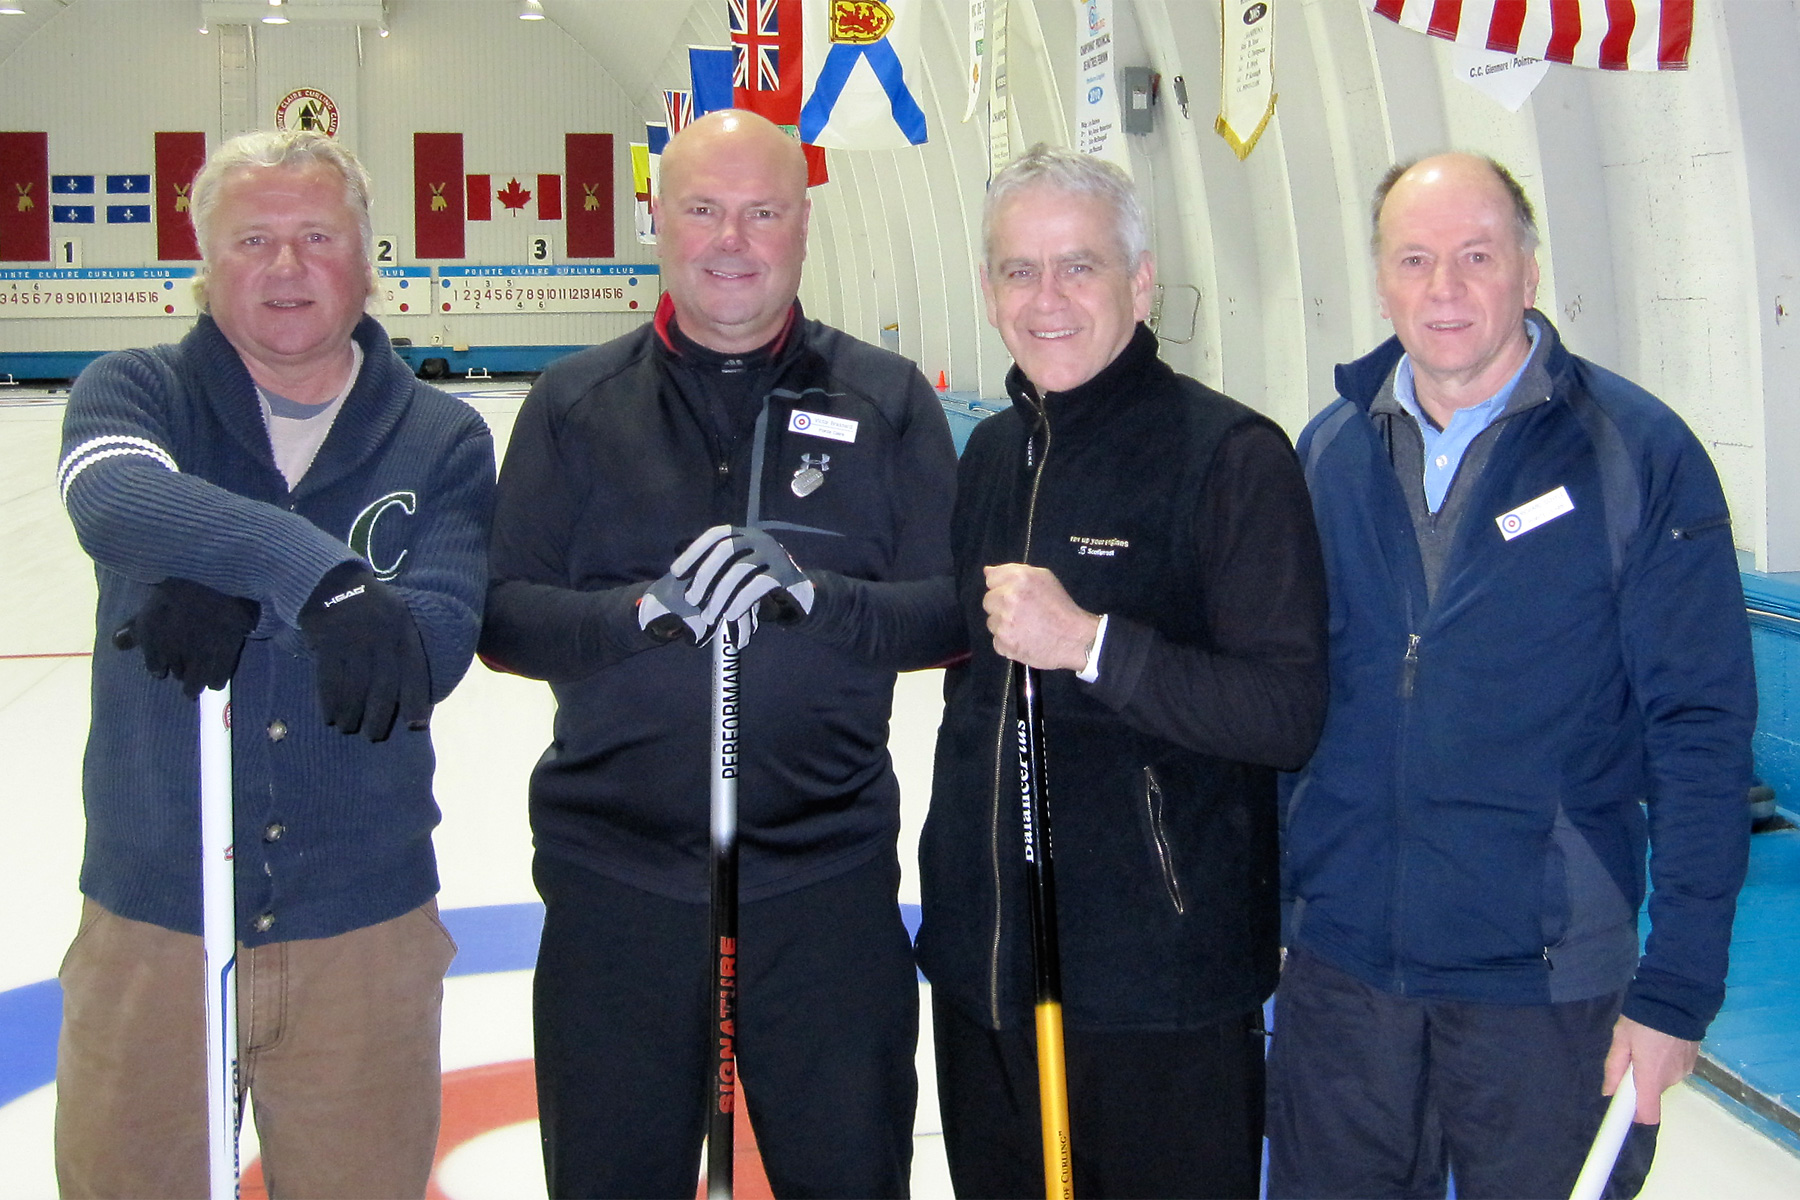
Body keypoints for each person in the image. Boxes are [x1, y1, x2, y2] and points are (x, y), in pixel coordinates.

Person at [479, 109, 958, 1199]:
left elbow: (950, 617)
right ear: (658, 220)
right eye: (703, 209)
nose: (732, 240)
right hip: (618, 888)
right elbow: (501, 619)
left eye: (763, 212)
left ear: (803, 227)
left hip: (825, 888)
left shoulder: (886, 400)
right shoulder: (573, 404)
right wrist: (636, 614)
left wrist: (822, 601)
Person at [1266, 153, 1756, 1199]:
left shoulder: (1636, 454)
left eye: (1477, 256)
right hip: (1346, 976)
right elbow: (1286, 697)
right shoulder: (1327, 453)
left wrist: (1677, 991)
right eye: (1414, 259)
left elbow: (1701, 733)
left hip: (1545, 984)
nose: (1444, 288)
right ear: (1381, 280)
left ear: (1529, 272)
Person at [54, 130, 495, 1198]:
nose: (286, 266)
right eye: (253, 239)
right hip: (155, 924)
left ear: (367, 258)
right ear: (204, 259)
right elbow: (110, 498)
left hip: (362, 928)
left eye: (317, 237)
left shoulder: (440, 436)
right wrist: (317, 579)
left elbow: (422, 649)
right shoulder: (136, 391)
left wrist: (229, 581)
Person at [916, 143, 1329, 1199]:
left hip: (1159, 990)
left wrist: (1094, 644)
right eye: (1019, 270)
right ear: (989, 291)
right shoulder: (992, 454)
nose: (1046, 299)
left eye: (1079, 266)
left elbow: (1285, 711)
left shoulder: (1229, 456)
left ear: (1141, 284)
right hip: (987, 975)